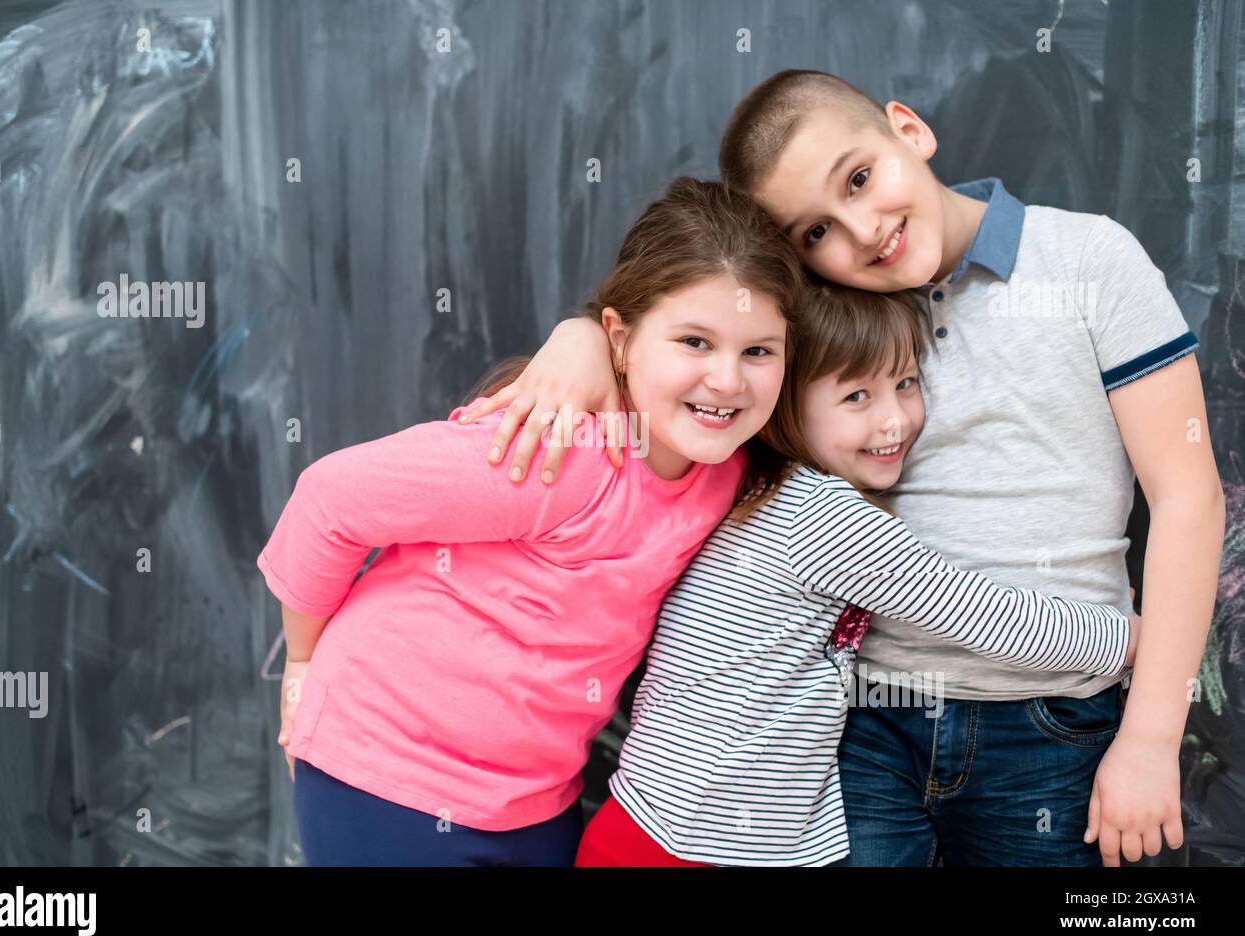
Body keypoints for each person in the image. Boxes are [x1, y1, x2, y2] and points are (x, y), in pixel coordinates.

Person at [459, 70, 1225, 866]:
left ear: (909, 130)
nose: (860, 231)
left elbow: (1188, 496)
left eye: (860, 178)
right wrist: (581, 336)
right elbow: (684, 324)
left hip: (1050, 719)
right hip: (858, 727)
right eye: (814, 232)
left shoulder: (1087, 258)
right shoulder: (813, 316)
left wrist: (1154, 733)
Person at [257, 176, 807, 865]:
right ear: (621, 336)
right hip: (384, 773)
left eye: (758, 351)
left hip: (534, 799)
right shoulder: (557, 450)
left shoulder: (730, 474)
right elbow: (329, 499)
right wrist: (302, 662)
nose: (728, 379)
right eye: (695, 342)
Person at [573, 283, 1139, 866]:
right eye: (856, 397)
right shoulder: (824, 516)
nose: (894, 419)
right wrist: (1126, 637)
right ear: (788, 405)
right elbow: (982, 614)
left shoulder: (761, 484)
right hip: (694, 846)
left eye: (906, 383)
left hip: (658, 821)